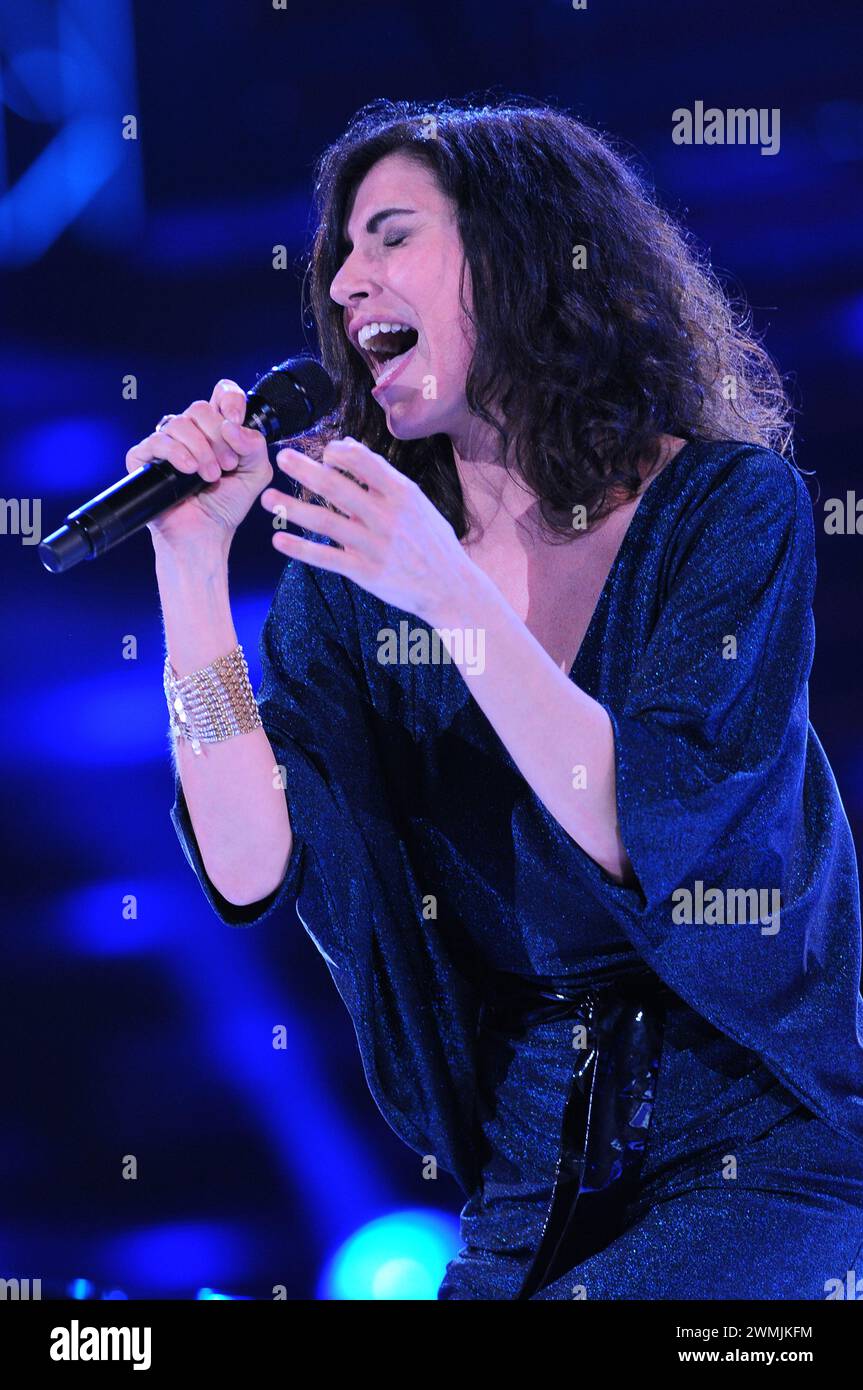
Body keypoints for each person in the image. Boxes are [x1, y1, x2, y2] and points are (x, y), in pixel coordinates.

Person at [127, 99, 863, 1300]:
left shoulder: (729, 512)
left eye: (390, 236)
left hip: (757, 1140)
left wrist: (450, 595)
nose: (344, 278)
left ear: (519, 254)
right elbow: (252, 858)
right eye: (338, 254)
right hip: (535, 1168)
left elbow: (652, 825)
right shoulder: (359, 571)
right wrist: (191, 570)